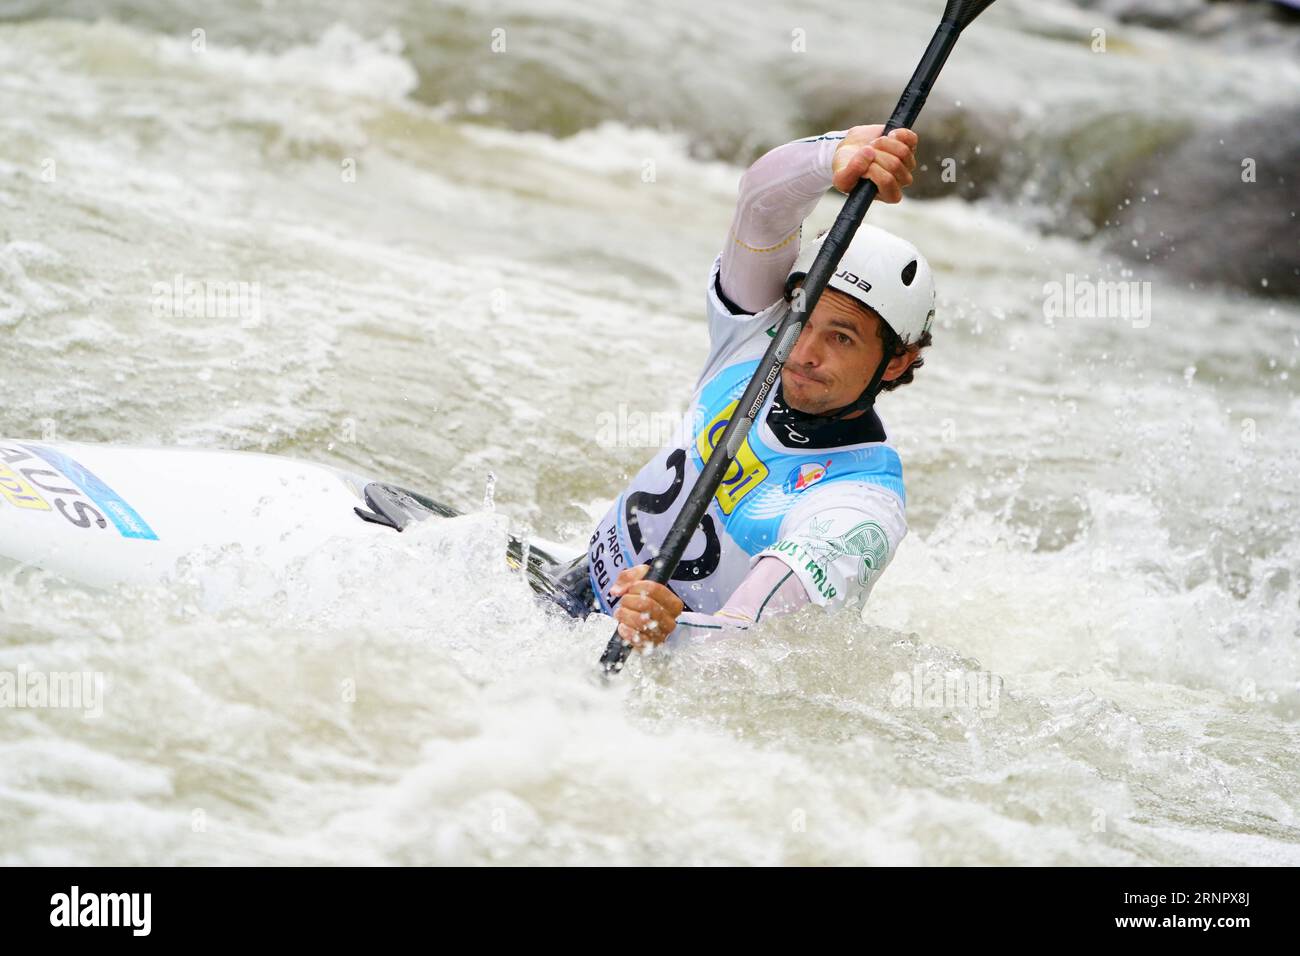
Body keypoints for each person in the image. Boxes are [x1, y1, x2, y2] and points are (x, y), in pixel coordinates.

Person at [566, 124, 932, 649]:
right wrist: (838, 154)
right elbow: (762, 206)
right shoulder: (756, 335)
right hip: (568, 588)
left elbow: (746, 648)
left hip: (650, 668)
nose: (803, 352)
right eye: (803, 319)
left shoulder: (860, 508)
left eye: (842, 337)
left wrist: (669, 629)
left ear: (897, 362)